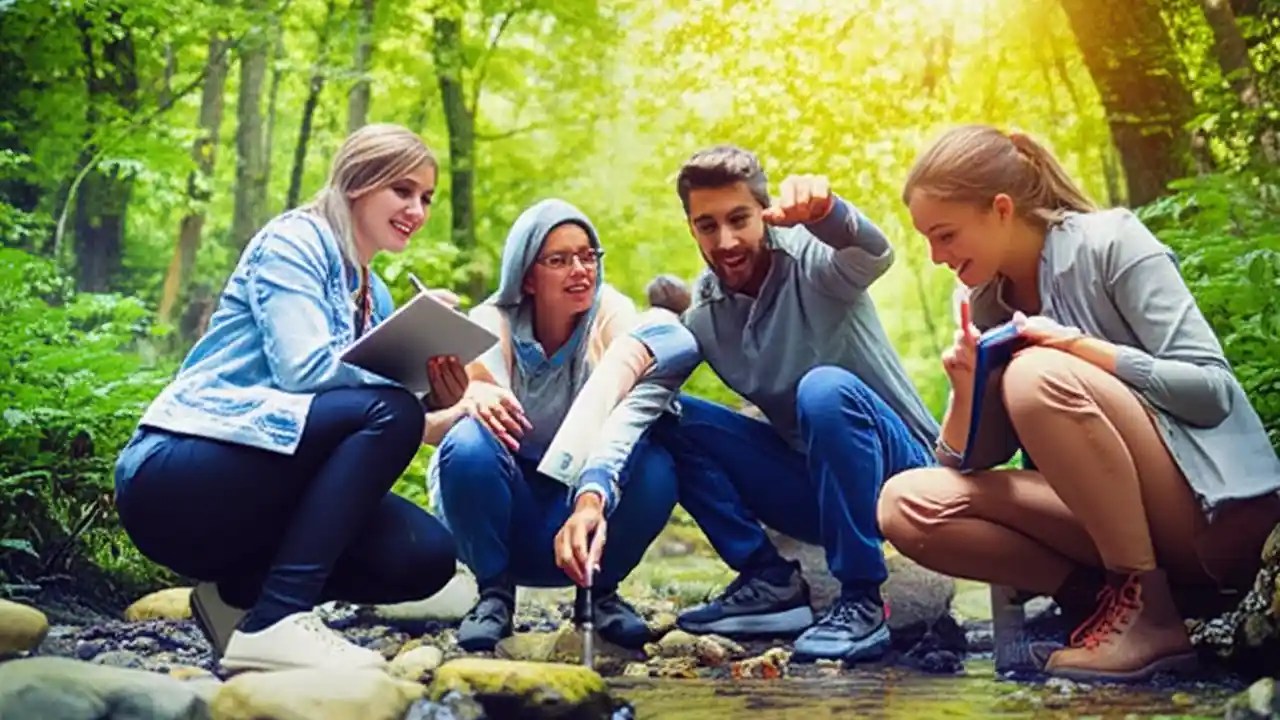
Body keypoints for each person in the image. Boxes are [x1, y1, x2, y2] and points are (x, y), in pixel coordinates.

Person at [877, 124, 1280, 682]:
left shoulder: (1112, 241)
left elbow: (1213, 391)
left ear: (999, 209)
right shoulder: (982, 298)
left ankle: (1148, 613)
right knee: (905, 503)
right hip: (1108, 517)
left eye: (945, 235)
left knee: (1036, 375)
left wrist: (1084, 350)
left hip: (1212, 515)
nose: (936, 255)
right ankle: (1101, 605)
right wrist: (967, 389)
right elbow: (971, 462)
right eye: (927, 239)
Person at [113, 124, 461, 672]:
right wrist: (399, 392)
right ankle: (279, 618)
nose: (417, 210)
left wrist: (436, 400)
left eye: (426, 198)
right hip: (175, 473)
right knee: (389, 409)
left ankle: (237, 601)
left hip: (259, 483)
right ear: (357, 182)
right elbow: (304, 372)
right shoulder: (294, 241)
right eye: (403, 191)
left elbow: (356, 423)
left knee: (425, 554)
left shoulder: (374, 294)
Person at [655, 145, 940, 664]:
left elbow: (875, 252)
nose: (726, 241)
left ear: (765, 213)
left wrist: (830, 212)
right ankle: (770, 581)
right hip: (815, 489)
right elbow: (650, 385)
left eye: (739, 219)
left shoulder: (812, 259)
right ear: (691, 228)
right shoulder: (706, 316)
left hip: (904, 474)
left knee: (824, 388)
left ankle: (860, 598)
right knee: (668, 415)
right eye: (707, 225)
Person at [424, 198, 697, 652]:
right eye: (560, 260)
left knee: (657, 463)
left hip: (584, 507)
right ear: (527, 276)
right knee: (470, 440)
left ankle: (600, 593)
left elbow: (633, 418)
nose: (580, 269)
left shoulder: (612, 314)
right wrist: (466, 399)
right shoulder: (492, 323)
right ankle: (493, 595)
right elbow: (440, 434)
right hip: (505, 512)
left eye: (588, 256)